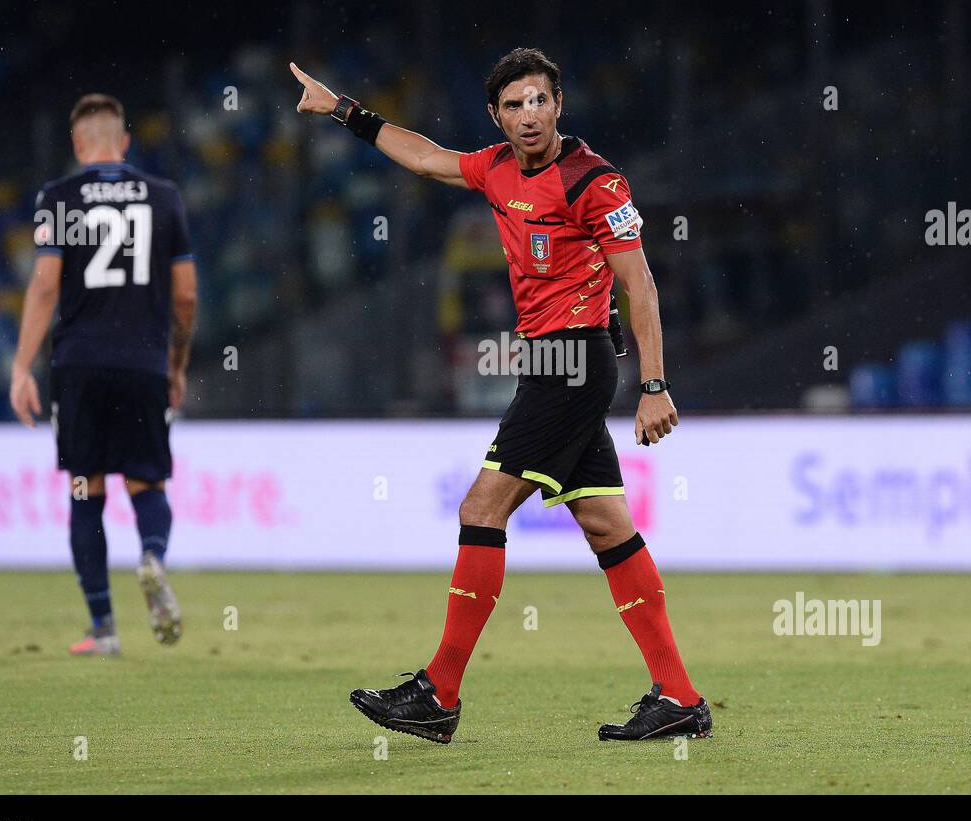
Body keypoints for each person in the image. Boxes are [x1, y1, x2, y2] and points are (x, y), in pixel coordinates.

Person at [291, 48, 709, 742]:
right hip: (544, 365)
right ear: (497, 115)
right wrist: (342, 109)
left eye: (540, 100)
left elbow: (640, 285)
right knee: (607, 526)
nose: (529, 115)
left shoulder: (595, 182)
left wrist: (655, 384)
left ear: (559, 104)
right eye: (514, 105)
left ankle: (440, 692)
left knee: (481, 507)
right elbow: (426, 157)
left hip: (575, 365)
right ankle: (679, 697)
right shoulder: (496, 169)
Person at [11, 94, 197, 656]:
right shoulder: (164, 198)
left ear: (76, 143)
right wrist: (177, 362)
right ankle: (152, 557)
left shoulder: (59, 198)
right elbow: (186, 295)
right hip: (143, 362)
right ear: (125, 141)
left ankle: (104, 629)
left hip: (78, 365)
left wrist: (22, 366)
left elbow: (45, 285)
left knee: (83, 487)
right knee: (146, 481)